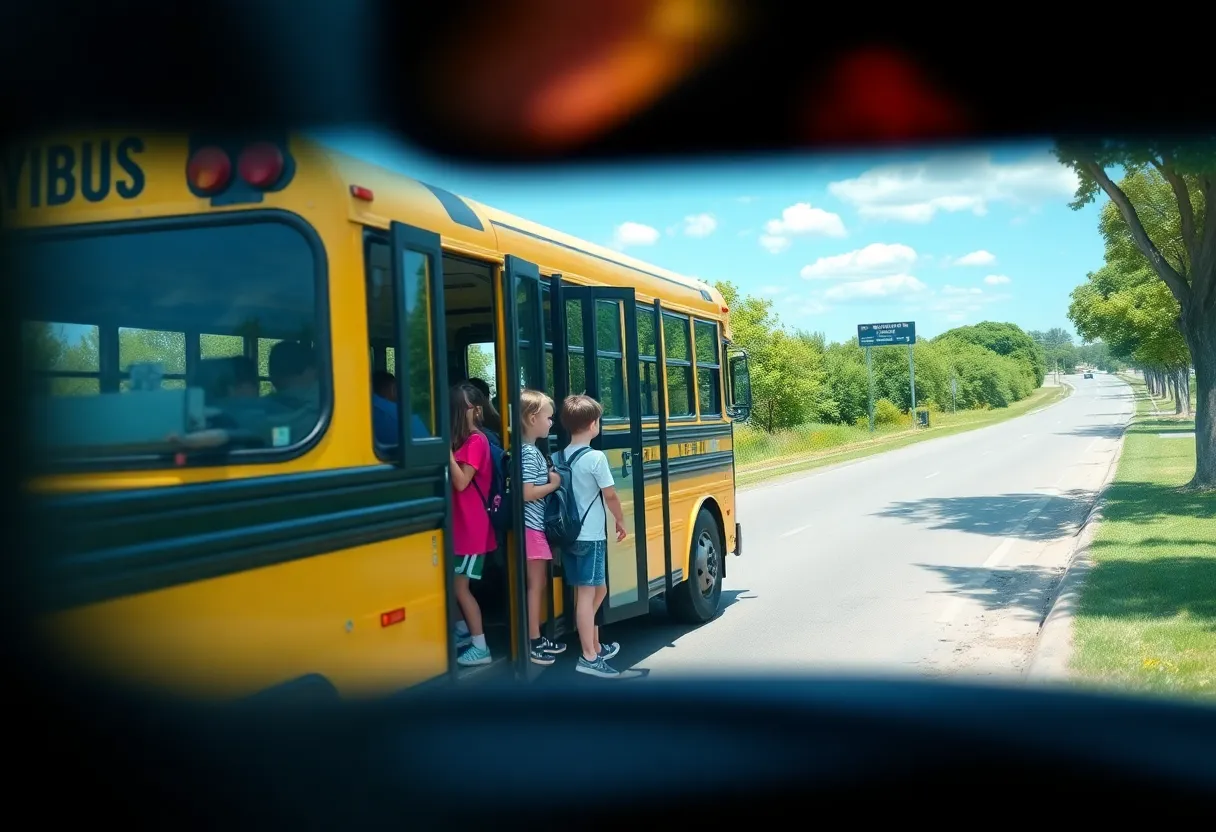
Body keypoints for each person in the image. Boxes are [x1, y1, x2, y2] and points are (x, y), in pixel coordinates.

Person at [558, 393, 628, 678]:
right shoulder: (596, 458)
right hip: (590, 536)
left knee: (596, 591)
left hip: (569, 535)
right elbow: (609, 495)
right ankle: (589, 656)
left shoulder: (558, 455)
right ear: (592, 424)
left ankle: (594, 644)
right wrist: (620, 520)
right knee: (587, 596)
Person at [447, 382, 498, 667]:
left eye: (464, 407)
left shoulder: (477, 441)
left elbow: (462, 481)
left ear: (477, 410)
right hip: (462, 526)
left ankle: (480, 646)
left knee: (460, 588)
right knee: (454, 585)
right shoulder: (465, 440)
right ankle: (464, 632)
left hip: (471, 528)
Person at [517, 389, 566, 665]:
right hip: (532, 528)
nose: (551, 423)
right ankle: (533, 640)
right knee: (536, 585)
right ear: (533, 418)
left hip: (532, 528)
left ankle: (536, 635)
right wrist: (554, 485)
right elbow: (526, 492)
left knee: (538, 583)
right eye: (548, 418)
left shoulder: (528, 451)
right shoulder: (529, 453)